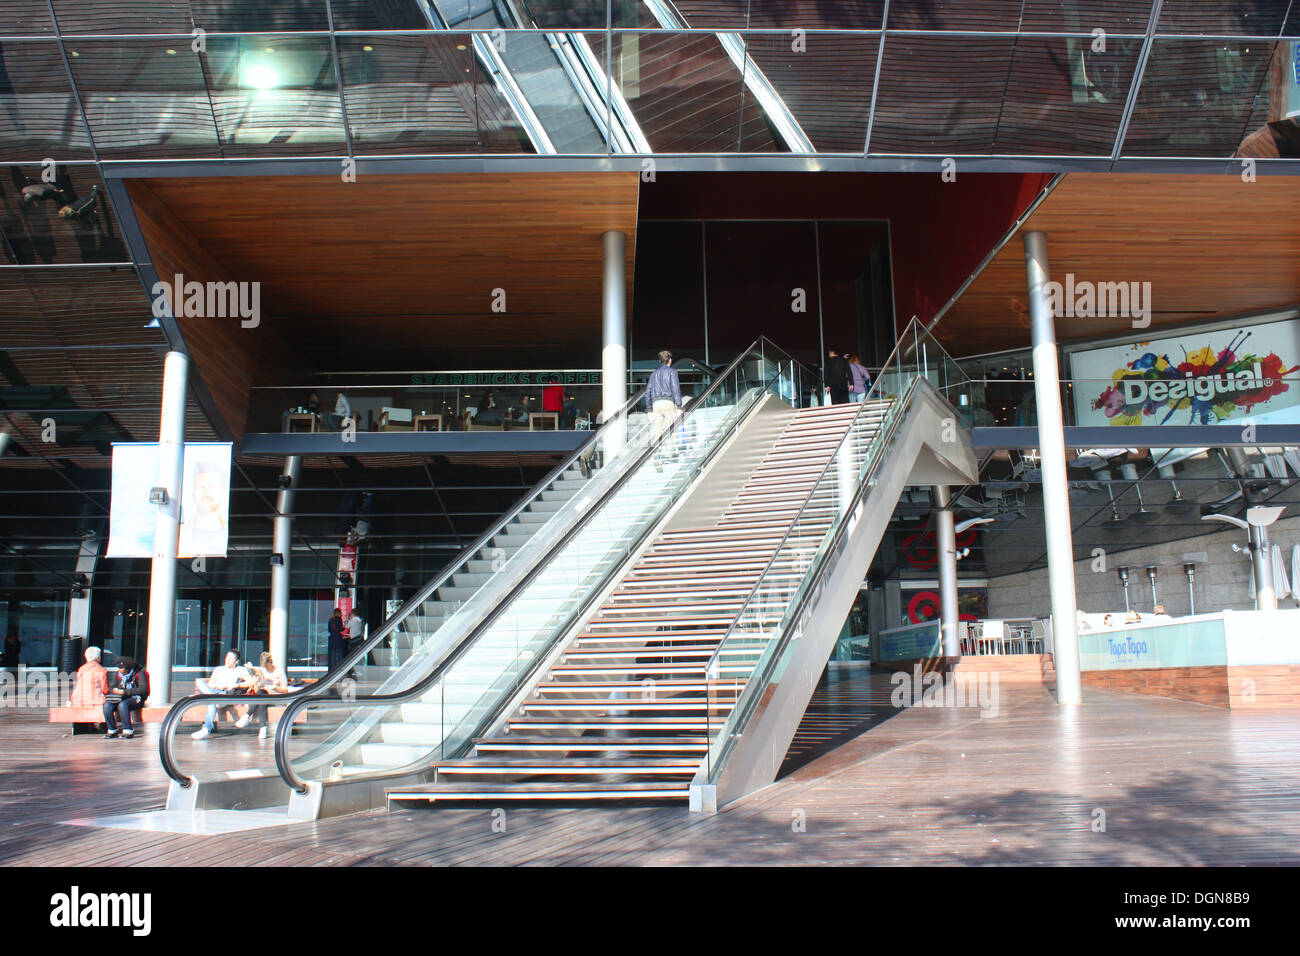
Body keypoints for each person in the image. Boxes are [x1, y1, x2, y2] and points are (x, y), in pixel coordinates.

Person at [190, 650, 255, 739]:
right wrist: (219, 686)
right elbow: (210, 684)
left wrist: (236, 685)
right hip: (214, 692)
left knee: (211, 701)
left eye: (231, 658)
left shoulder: (240, 670)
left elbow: (250, 682)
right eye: (227, 657)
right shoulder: (219, 669)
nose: (228, 660)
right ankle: (212, 699)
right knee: (199, 682)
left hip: (226, 695)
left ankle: (206, 729)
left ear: (236, 661)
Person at [646, 349, 682, 464]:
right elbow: (675, 389)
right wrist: (679, 406)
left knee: (658, 430)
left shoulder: (653, 374)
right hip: (668, 402)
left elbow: (648, 392)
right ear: (670, 360)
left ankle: (656, 455)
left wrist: (649, 409)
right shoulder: (672, 372)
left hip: (656, 404)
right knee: (671, 429)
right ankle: (668, 456)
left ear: (659, 361)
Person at [103, 657, 149, 740]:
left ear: (128, 668)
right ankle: (112, 730)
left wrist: (125, 692)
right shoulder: (118, 674)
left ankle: (128, 730)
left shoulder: (140, 672)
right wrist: (114, 690)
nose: (120, 671)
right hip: (120, 697)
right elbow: (112, 686)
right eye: (119, 668)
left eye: (122, 669)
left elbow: (143, 689)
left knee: (123, 705)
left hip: (136, 698)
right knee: (107, 706)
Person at [247, 652, 289, 740]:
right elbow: (257, 689)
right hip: (264, 696)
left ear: (270, 663)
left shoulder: (279, 671)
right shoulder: (262, 671)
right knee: (262, 696)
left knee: (262, 697)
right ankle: (262, 729)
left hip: (276, 697)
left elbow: (285, 690)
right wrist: (256, 681)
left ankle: (247, 716)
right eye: (263, 667)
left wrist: (275, 687)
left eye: (266, 666)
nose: (265, 668)